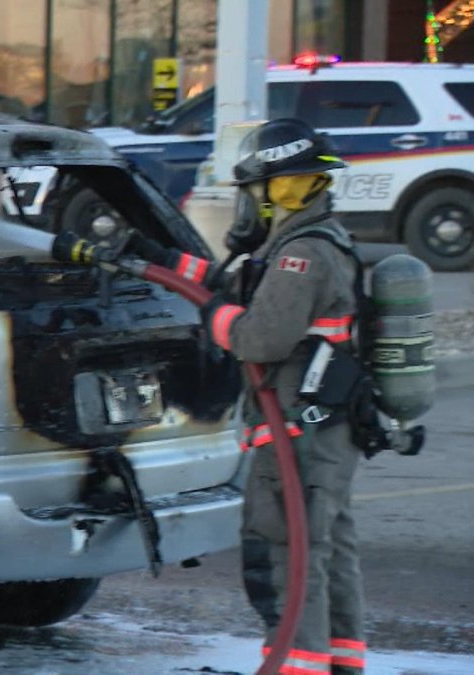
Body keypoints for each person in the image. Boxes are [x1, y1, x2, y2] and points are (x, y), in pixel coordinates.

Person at [163, 118, 365, 674]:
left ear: (281, 188)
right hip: (326, 429)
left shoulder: (301, 255)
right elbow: (245, 289)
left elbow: (259, 336)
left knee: (288, 553)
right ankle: (341, 663)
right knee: (326, 548)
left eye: (253, 190)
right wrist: (160, 261)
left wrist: (214, 316)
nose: (248, 204)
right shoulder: (313, 244)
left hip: (301, 431)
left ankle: (297, 666)